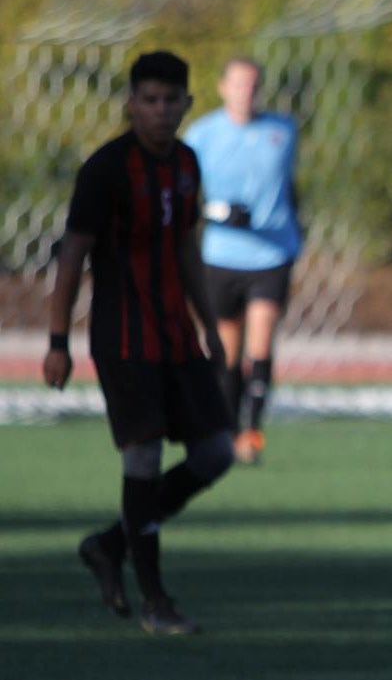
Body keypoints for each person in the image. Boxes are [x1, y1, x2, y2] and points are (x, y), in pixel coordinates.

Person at [43, 50, 235, 637]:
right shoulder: (105, 169)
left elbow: (185, 249)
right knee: (144, 459)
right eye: (147, 100)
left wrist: (208, 324)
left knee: (216, 453)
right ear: (131, 105)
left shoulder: (187, 163)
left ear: (187, 104)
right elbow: (72, 256)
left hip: (176, 333)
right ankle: (155, 601)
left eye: (169, 100)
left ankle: (108, 544)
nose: (158, 110)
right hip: (123, 338)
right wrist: (57, 340)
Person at [184, 55, 303, 465]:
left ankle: (252, 430)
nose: (245, 92)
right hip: (222, 256)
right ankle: (228, 430)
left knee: (261, 341)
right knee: (227, 355)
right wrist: (218, 212)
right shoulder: (202, 135)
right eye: (238, 84)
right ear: (222, 88)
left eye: (252, 85)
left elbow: (289, 188)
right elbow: (185, 198)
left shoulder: (282, 131)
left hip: (271, 255)